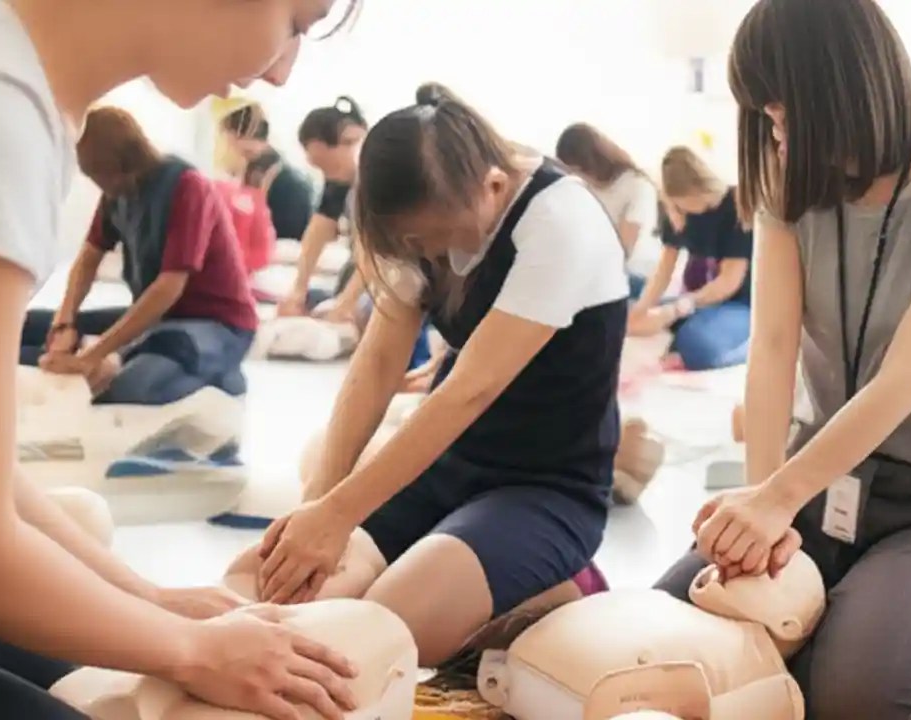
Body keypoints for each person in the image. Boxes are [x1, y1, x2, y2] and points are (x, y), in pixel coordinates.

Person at [0, 0, 358, 717]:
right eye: (298, 21)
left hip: (206, 326)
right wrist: (192, 648)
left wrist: (152, 602)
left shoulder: (17, 85)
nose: (280, 70)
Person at [654, 1, 911, 718]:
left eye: (779, 105)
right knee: (659, 646)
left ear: (842, 87)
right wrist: (763, 510)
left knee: (852, 700)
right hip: (809, 496)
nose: (772, 125)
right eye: (761, 110)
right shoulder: (791, 189)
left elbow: (905, 379)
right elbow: (772, 350)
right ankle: (857, 618)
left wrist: (775, 501)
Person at [249, 88, 629, 667]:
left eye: (435, 239)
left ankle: (563, 584)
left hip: (546, 490)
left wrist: (337, 517)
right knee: (263, 598)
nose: (426, 254)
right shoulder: (418, 218)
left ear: (494, 188)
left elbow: (468, 391)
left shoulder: (560, 220)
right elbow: (377, 364)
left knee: (372, 632)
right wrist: (316, 508)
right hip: (444, 467)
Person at [22, 106, 259, 406]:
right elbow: (88, 258)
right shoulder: (116, 193)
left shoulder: (188, 186)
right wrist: (64, 322)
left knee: (131, 387)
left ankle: (219, 373)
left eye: (103, 176)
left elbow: (168, 287)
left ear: (126, 163)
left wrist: (94, 355)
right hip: (158, 320)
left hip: (215, 323)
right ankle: (135, 351)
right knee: (27, 328)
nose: (101, 185)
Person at [628, 146, 753, 371]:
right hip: (698, 299)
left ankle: (750, 346)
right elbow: (663, 270)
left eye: (686, 202)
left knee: (696, 345)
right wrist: (641, 309)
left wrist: (679, 308)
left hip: (739, 302)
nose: (684, 209)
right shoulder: (677, 212)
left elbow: (729, 283)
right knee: (627, 305)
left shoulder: (736, 206)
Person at [276, 95, 369, 319]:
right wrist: (299, 289)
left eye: (327, 165)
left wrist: (345, 304)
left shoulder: (380, 180)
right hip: (358, 271)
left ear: (351, 141)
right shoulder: (340, 181)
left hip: (393, 276)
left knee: (360, 314)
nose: (327, 175)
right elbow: (319, 229)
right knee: (305, 304)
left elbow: (380, 256)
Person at [555, 122, 661, 296]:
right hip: (598, 271)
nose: (573, 176)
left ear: (589, 163)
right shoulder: (583, 187)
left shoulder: (637, 186)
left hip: (635, 272)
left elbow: (623, 250)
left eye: (575, 170)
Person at [220, 102, 316, 241]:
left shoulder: (288, 181)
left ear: (237, 136)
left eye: (229, 137)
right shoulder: (254, 170)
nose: (229, 145)